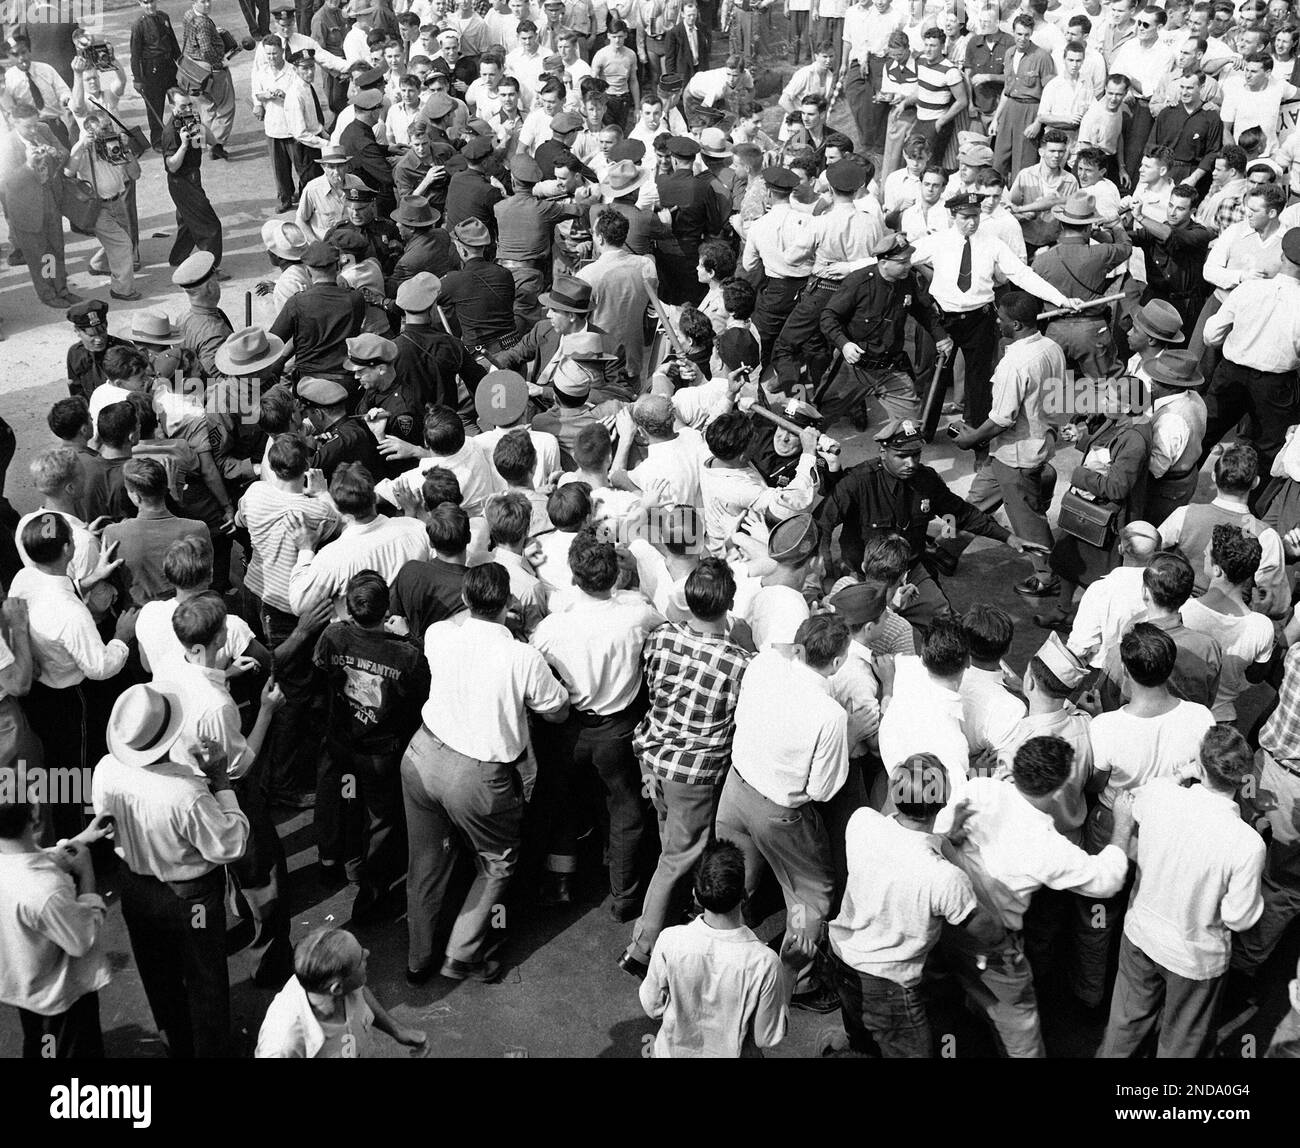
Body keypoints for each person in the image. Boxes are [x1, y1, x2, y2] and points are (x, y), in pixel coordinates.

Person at [404, 562, 570, 983]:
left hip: (421, 756)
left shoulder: (440, 635)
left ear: (464, 600)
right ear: (508, 602)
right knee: (497, 863)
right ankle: (462, 953)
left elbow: (462, 620)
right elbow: (556, 711)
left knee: (425, 861)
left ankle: (418, 958)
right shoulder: (522, 656)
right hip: (478, 777)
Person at [935, 737, 1136, 1058]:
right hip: (994, 944)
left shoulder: (978, 789)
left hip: (951, 921)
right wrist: (1122, 825)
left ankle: (979, 1018)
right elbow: (1107, 881)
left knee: (972, 986)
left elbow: (942, 831)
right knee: (1021, 1025)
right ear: (1058, 791)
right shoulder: (1046, 846)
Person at [91, 683, 249, 1058]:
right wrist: (222, 782)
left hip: (135, 888)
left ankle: (176, 1044)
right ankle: (212, 1051)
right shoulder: (186, 792)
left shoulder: (105, 770)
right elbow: (230, 844)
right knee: (204, 978)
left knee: (158, 976)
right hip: (190, 898)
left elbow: (104, 821)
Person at [1100, 726, 1264, 1058]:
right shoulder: (1248, 844)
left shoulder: (1160, 795)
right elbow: (1239, 918)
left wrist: (1182, 772)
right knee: (1182, 1043)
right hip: (1195, 958)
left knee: (1124, 1024)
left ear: (1200, 767)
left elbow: (1146, 797)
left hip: (1140, 934)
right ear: (1243, 779)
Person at [715, 614, 852, 1009]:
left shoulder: (763, 665)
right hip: (779, 812)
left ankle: (721, 943)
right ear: (838, 663)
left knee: (735, 875)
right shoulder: (831, 715)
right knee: (810, 898)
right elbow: (823, 790)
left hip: (736, 788)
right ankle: (800, 981)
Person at [531, 531, 664, 913]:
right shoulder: (636, 613)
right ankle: (623, 895)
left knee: (562, 798)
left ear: (575, 577)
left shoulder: (555, 625)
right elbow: (660, 624)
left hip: (567, 726)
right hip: (618, 730)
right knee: (624, 810)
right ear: (614, 576)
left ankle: (561, 880)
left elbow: (533, 657)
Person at [825, 753, 980, 1058]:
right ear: (944, 800)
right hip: (889, 986)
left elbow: (899, 843)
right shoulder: (946, 877)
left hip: (842, 962)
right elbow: (984, 931)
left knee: (863, 1041)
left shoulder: (861, 823)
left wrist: (946, 838)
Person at [817, 417, 1035, 627]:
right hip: (865, 576)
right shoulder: (858, 481)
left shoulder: (926, 479)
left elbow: (962, 513)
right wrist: (826, 579)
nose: (911, 463)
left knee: (946, 623)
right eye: (902, 456)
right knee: (857, 632)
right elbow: (822, 527)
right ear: (883, 453)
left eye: (916, 455)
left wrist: (1008, 537)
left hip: (910, 572)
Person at [9, 515, 135, 841]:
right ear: (68, 547)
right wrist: (121, 638)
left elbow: (50, 592)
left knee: (55, 769)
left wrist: (90, 579)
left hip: (38, 695)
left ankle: (62, 825)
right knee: (77, 773)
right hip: (70, 701)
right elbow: (100, 667)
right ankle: (82, 842)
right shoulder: (72, 614)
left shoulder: (24, 578)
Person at [313, 572, 427, 923]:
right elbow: (420, 691)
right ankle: (372, 891)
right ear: (386, 609)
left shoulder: (333, 636)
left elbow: (322, 671)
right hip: (380, 753)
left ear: (350, 607)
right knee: (381, 819)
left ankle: (349, 864)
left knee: (349, 801)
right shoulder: (405, 653)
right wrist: (408, 635)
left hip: (342, 743)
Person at [911, 192, 1076, 430]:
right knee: (936, 375)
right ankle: (925, 431)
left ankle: (977, 430)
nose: (972, 222)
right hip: (943, 319)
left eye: (976, 216)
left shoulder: (992, 243)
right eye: (965, 217)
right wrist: (849, 268)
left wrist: (1061, 300)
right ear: (952, 215)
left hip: (979, 319)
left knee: (979, 379)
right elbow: (900, 256)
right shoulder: (937, 241)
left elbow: (1022, 274)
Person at [639, 839, 815, 1057]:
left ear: (695, 893)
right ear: (744, 895)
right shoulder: (764, 961)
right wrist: (790, 969)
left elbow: (652, 1006)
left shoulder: (669, 941)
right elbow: (766, 1036)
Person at [950, 290, 1067, 599]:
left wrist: (969, 440)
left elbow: (1001, 419)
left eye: (1000, 319)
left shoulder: (1013, 364)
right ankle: (947, 549)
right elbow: (1059, 397)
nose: (997, 323)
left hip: (1015, 457)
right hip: (1020, 449)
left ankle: (1047, 575)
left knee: (1028, 522)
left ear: (1015, 324)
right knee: (973, 503)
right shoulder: (1051, 347)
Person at [0, 807, 112, 1059]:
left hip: (27, 988)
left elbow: (24, 858)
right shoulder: (45, 891)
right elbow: (82, 940)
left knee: (38, 1045)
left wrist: (80, 839)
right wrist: (86, 874)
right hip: (60, 999)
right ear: (35, 818)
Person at [1200, 223, 1300, 494]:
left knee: (1204, 433)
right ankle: (1250, 515)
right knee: (1268, 451)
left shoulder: (1249, 289)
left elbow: (1211, 335)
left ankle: (1176, 490)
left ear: (1282, 256)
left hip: (1230, 373)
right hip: (1276, 385)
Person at [255, 926, 426, 1057]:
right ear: (336, 989)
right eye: (360, 960)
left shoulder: (327, 983)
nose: (368, 953)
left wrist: (397, 1030)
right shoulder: (282, 1043)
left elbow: (360, 991)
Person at [286, 462, 430, 617]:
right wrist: (323, 494)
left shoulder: (332, 557)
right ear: (375, 496)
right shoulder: (417, 528)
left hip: (359, 636)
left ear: (340, 508)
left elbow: (300, 605)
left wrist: (305, 550)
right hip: (413, 625)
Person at [1097, 551, 1222, 712]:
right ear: (1186, 595)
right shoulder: (1209, 647)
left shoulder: (1119, 653)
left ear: (1145, 593)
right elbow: (1208, 699)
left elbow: (1106, 703)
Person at [1179, 525, 1276, 727]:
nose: (1204, 556)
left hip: (1181, 715)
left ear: (1217, 570)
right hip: (1222, 720)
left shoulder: (1183, 611)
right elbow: (1255, 677)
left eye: (1206, 555)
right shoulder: (1262, 626)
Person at [102, 458, 210, 606]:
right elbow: (207, 577)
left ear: (136, 496)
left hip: (138, 618)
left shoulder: (113, 533)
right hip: (190, 613)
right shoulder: (198, 529)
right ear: (165, 487)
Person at [740, 165, 817, 364]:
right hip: (807, 290)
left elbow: (749, 265)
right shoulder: (809, 221)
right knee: (800, 346)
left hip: (775, 291)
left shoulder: (759, 225)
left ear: (768, 192)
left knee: (762, 345)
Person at [0, 103, 74, 309]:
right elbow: (5, 182)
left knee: (56, 249)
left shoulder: (43, 129)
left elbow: (63, 151)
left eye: (35, 124)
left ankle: (62, 289)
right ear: (15, 123)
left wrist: (56, 153)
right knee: (40, 255)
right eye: (28, 127)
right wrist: (27, 166)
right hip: (26, 208)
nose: (34, 130)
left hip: (49, 199)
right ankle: (48, 293)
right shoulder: (6, 145)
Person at [162, 87, 224, 269]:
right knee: (210, 227)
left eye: (190, 105)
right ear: (172, 107)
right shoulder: (170, 132)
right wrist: (183, 145)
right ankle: (210, 269)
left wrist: (200, 126)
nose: (188, 109)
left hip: (193, 176)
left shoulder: (190, 122)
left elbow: (211, 141)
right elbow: (171, 166)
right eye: (183, 106)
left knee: (188, 222)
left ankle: (178, 258)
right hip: (181, 182)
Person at [181, 0, 236, 160]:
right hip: (210, 69)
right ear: (194, 2)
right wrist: (220, 63)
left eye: (208, 0)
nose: (207, 4)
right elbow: (206, 50)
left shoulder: (188, 14)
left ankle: (202, 143)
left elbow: (193, 37)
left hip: (192, 68)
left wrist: (214, 33)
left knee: (206, 107)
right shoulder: (203, 22)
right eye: (202, 1)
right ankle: (216, 144)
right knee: (226, 106)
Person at [131, 0, 182, 150]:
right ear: (139, 3)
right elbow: (135, 55)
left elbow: (173, 44)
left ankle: (180, 133)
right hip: (152, 71)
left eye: (152, 2)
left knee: (179, 101)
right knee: (155, 107)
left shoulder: (164, 17)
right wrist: (137, 79)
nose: (150, 6)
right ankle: (158, 141)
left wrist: (182, 65)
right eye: (145, 3)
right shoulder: (138, 25)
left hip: (169, 67)